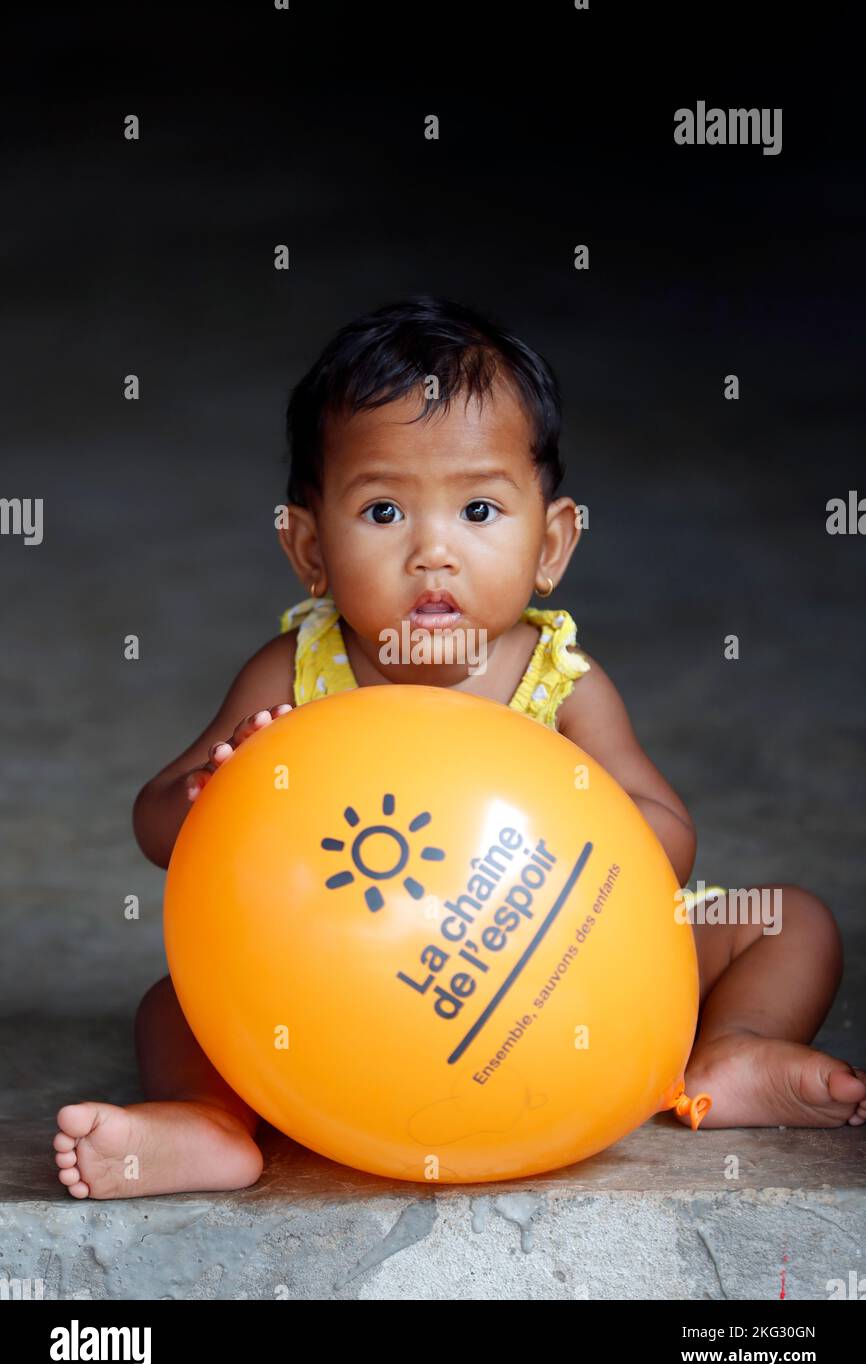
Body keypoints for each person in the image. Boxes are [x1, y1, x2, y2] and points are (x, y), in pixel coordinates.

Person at [53, 295, 865, 1199]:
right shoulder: (293, 672)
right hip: (362, 987)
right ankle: (207, 1124)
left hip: (576, 952)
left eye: (479, 508)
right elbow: (158, 824)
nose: (433, 551)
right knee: (177, 1005)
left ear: (551, 542)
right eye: (384, 512)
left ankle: (730, 1050)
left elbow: (667, 839)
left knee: (786, 919)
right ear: (309, 548)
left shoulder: (562, 680)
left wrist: (581, 813)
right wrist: (216, 782)